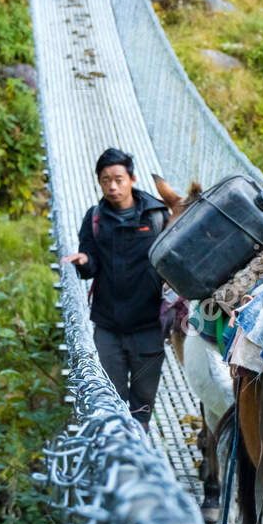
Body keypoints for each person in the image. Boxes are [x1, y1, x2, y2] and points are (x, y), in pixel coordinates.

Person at [62, 148, 178, 428]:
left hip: (148, 327)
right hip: (108, 329)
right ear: (99, 183)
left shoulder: (157, 216)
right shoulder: (95, 218)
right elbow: (90, 265)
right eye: (105, 180)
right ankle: (116, 450)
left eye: (118, 179)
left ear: (132, 179)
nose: (112, 187)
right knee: (108, 402)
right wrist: (84, 261)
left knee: (142, 408)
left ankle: (138, 448)